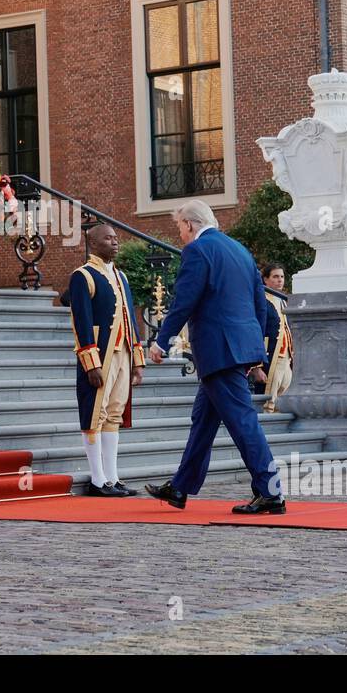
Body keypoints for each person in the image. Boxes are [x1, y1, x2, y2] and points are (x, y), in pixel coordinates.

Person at [145, 200, 284, 514]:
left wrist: (162, 340)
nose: (181, 234)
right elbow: (259, 304)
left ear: (190, 224)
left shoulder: (198, 250)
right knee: (203, 421)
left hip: (218, 351)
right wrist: (254, 349)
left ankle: (270, 491)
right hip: (237, 349)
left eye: (180, 227)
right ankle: (180, 488)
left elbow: (185, 300)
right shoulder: (240, 251)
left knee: (243, 421)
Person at [68, 223, 145, 496]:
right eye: (108, 239)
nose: (115, 243)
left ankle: (112, 477)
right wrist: (91, 362)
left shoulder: (121, 277)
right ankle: (98, 480)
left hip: (123, 350)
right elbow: (82, 321)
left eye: (116, 238)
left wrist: (137, 359)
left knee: (113, 413)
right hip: (100, 354)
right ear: (93, 243)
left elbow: (130, 319)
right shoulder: (83, 276)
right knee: (95, 414)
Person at [260, 263, 293, 414]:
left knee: (284, 395)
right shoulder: (262, 299)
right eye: (275, 276)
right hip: (271, 354)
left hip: (286, 355)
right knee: (269, 398)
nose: (280, 280)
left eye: (281, 276)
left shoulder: (283, 300)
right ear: (265, 280)